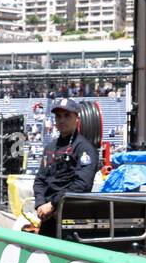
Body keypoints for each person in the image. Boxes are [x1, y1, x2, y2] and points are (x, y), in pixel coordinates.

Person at [34, 98, 100, 239]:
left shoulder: (84, 148)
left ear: (76, 117)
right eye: (58, 116)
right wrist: (40, 204)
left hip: (72, 222)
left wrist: (53, 204)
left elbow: (82, 185)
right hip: (48, 219)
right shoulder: (50, 148)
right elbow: (40, 180)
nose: (62, 120)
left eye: (67, 115)